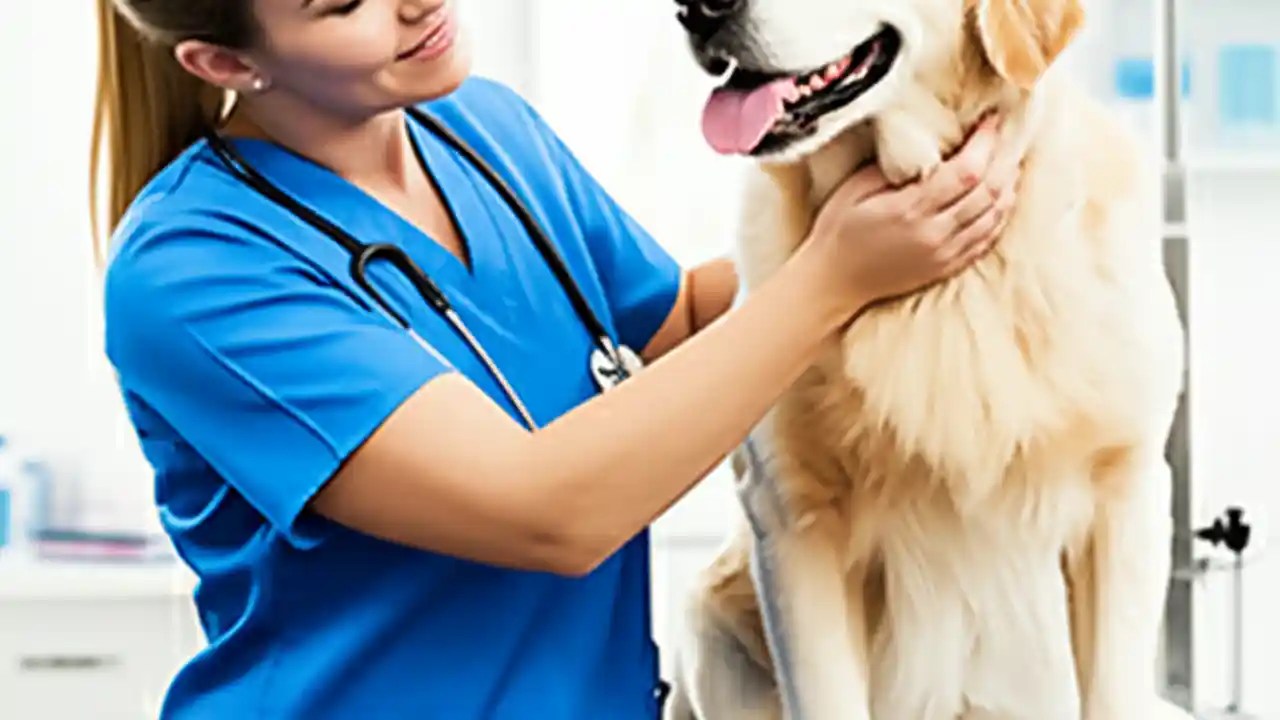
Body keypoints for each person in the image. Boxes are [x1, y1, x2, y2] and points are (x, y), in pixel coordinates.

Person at [91, 0, 1018, 717]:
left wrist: (902, 220)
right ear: (226, 62)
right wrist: (832, 277)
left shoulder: (483, 130)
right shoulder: (195, 267)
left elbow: (683, 323)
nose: (417, 2)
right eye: (345, 3)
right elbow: (553, 514)